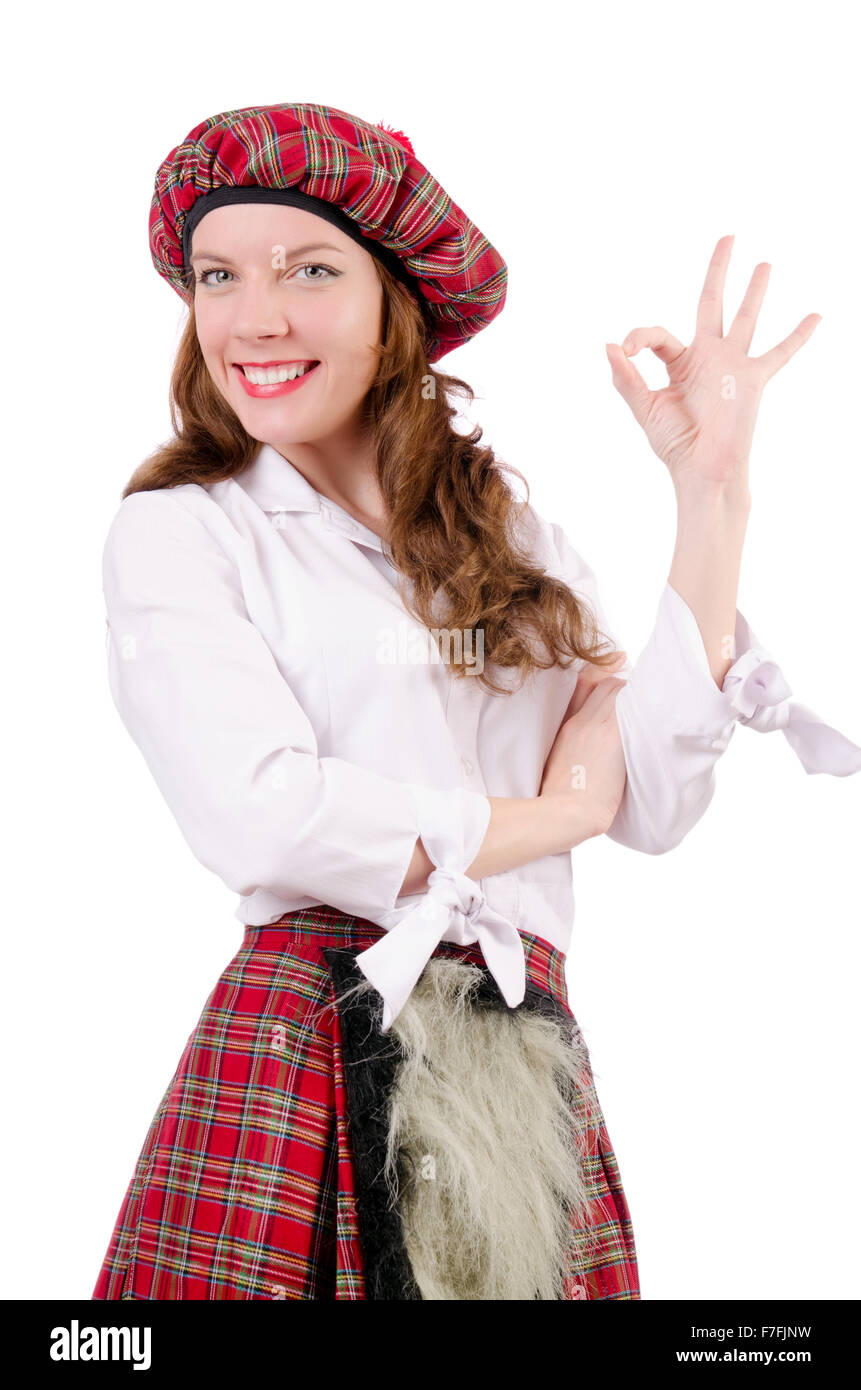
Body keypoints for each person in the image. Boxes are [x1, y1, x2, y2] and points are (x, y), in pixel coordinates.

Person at [91, 101, 861, 1302]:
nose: (255, 317)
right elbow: (268, 816)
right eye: (218, 275)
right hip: (311, 1040)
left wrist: (712, 494)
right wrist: (547, 818)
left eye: (309, 269)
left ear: (396, 301)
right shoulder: (185, 532)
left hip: (519, 1045)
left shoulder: (509, 537)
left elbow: (649, 800)